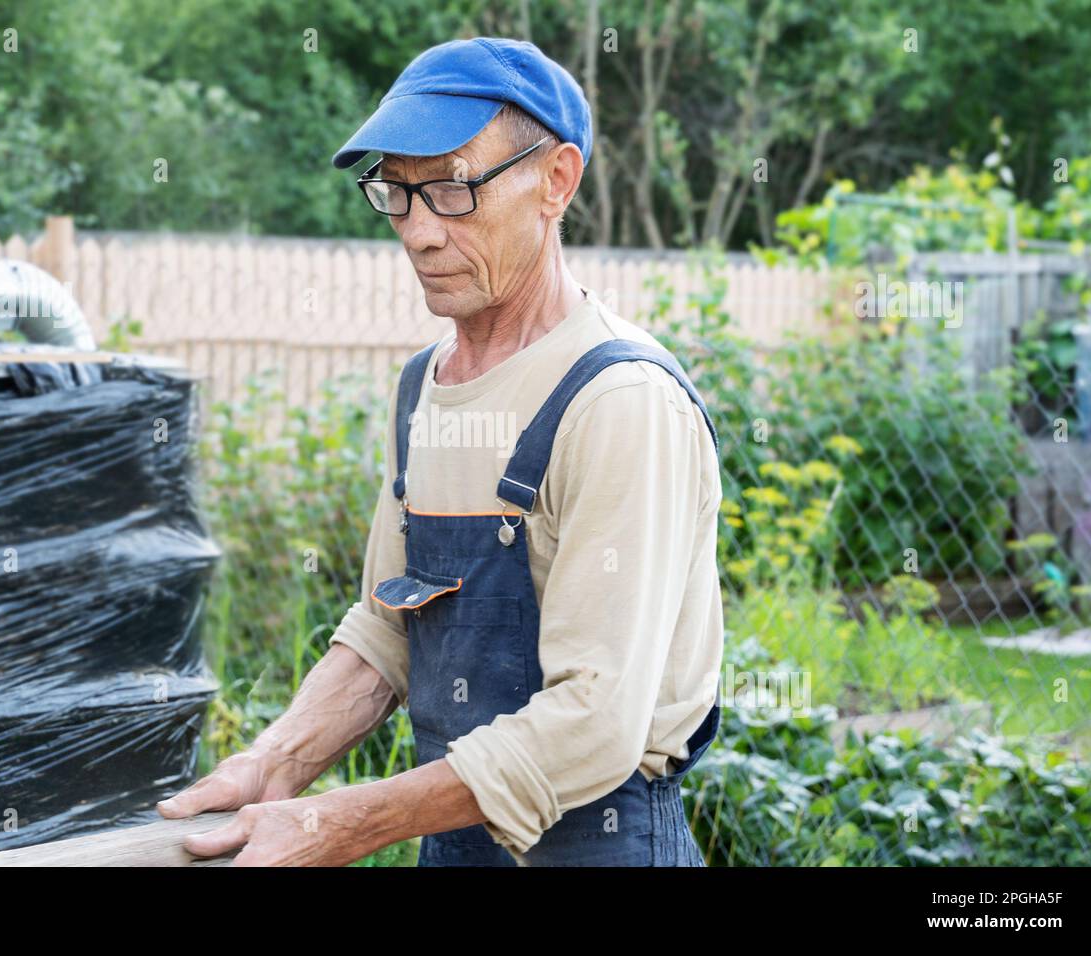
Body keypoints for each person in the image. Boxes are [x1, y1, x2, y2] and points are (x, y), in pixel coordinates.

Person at [158, 36, 723, 867]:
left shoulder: (618, 401)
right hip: (453, 842)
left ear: (556, 181)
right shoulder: (427, 385)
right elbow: (390, 630)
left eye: (453, 188)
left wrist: (338, 822)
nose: (418, 232)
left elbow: (596, 723)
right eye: (398, 191)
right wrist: (272, 764)